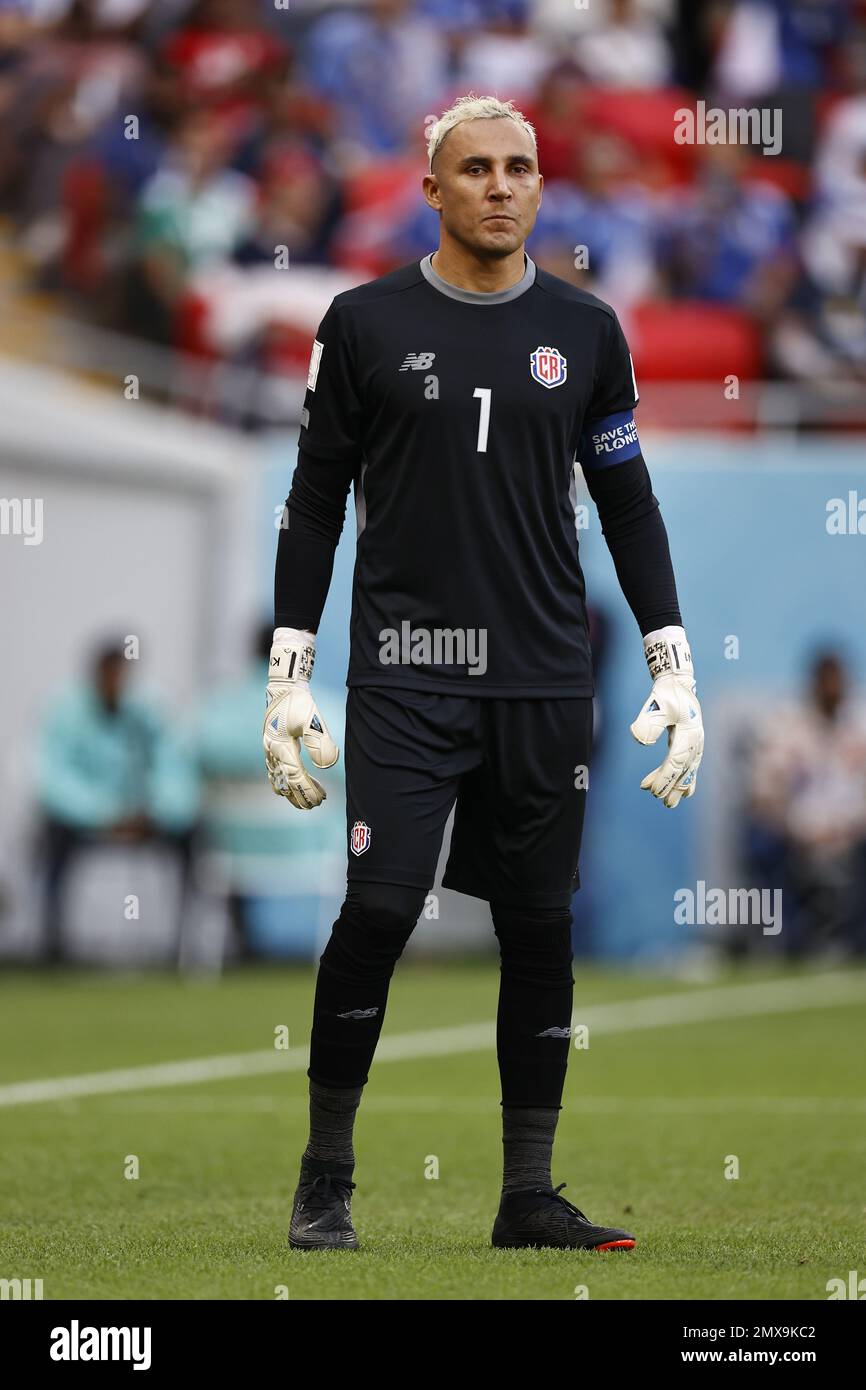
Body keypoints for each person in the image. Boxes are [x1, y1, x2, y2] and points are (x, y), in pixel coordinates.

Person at [265, 94, 704, 1252]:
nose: (500, 186)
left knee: (538, 927)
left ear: (538, 188)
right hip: (406, 674)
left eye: (519, 168)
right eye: (475, 170)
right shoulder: (360, 322)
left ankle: (525, 1196)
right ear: (433, 190)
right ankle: (324, 1179)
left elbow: (627, 504)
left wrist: (671, 660)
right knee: (375, 907)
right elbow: (313, 503)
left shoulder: (589, 330)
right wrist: (289, 665)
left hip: (543, 676)